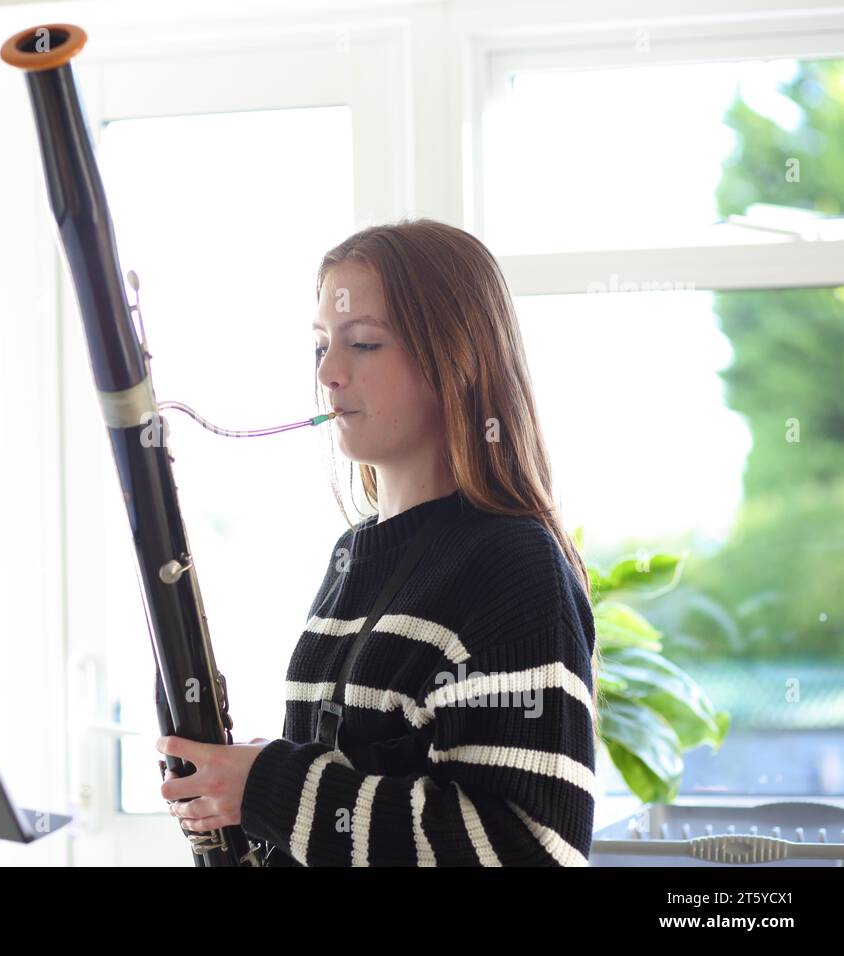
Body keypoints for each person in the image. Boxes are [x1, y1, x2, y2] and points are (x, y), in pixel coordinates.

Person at [155, 218, 601, 866]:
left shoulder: (511, 566)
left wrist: (270, 787)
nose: (329, 372)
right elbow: (335, 818)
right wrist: (235, 801)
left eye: (363, 344)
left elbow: (527, 846)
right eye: (320, 346)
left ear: (457, 357)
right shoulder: (352, 560)